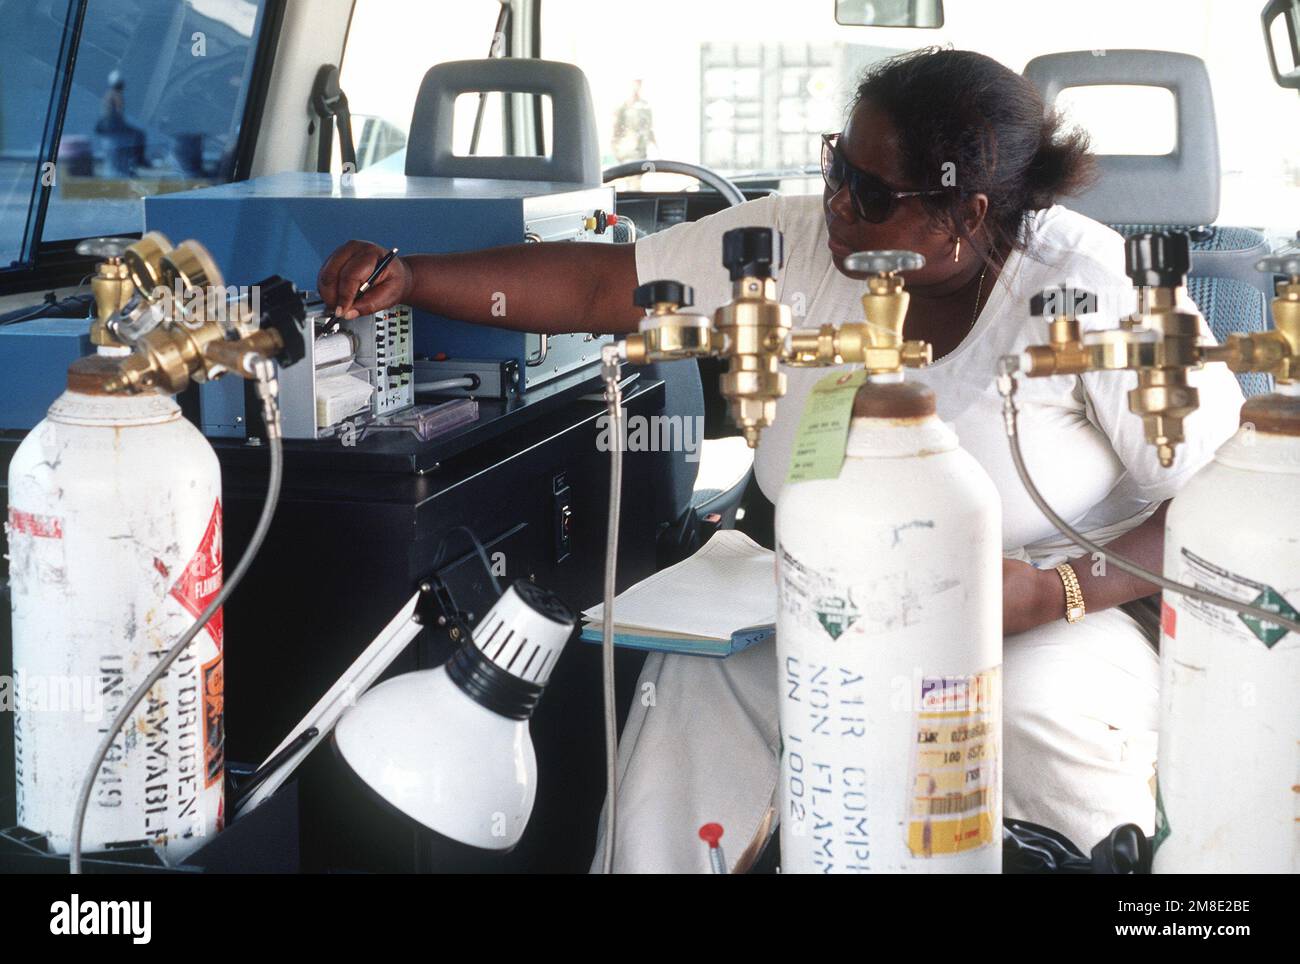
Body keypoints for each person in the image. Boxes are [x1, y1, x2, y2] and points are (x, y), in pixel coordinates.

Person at [318, 48, 1244, 872]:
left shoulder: (1092, 289)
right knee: (695, 692)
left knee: (1026, 731)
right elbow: (608, 283)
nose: (840, 205)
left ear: (967, 213)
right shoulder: (799, 241)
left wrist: (1057, 594)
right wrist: (414, 277)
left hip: (1038, 608)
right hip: (816, 594)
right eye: (840, 166)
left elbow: (1231, 502)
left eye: (874, 195)